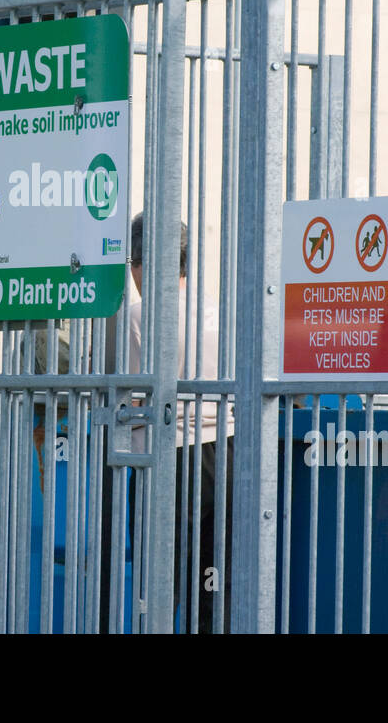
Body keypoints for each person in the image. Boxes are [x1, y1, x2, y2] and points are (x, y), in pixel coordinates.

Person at [101, 212, 233, 633]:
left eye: (132, 265)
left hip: (167, 463)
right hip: (225, 453)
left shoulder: (139, 317)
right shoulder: (218, 311)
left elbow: (120, 395)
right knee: (212, 583)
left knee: (160, 587)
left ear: (143, 262)